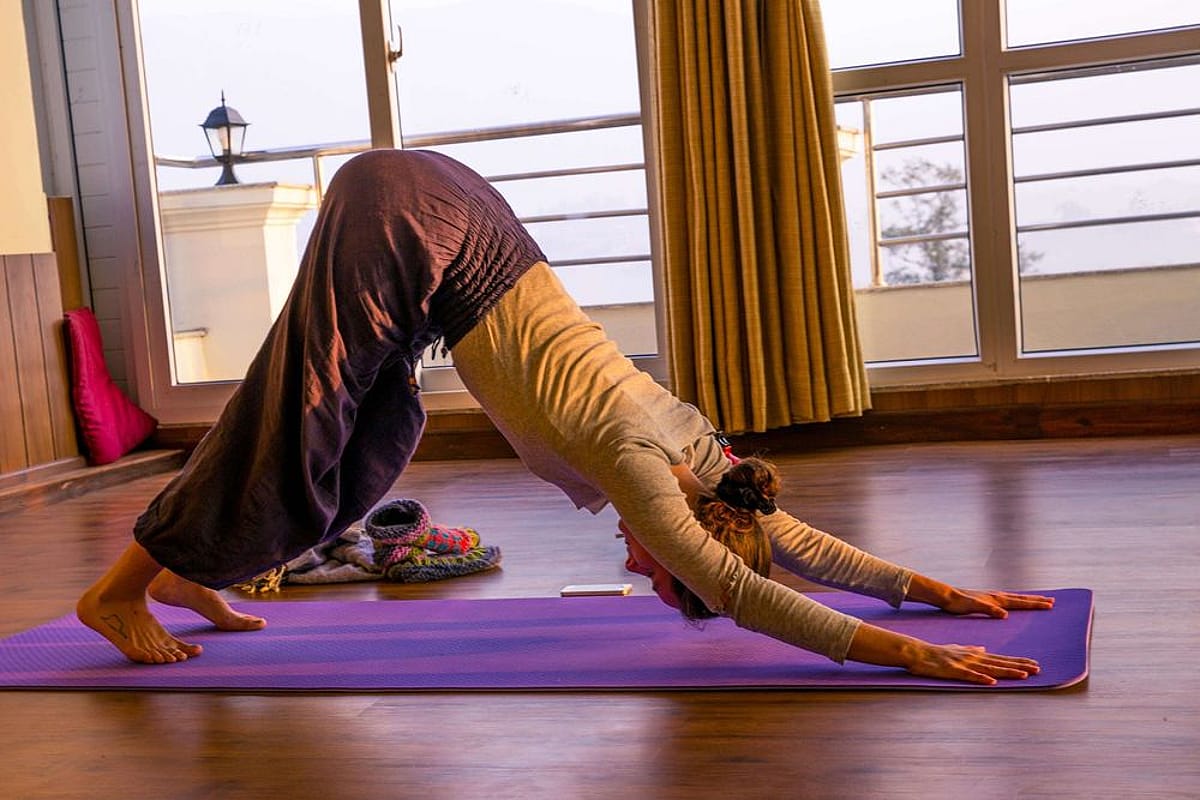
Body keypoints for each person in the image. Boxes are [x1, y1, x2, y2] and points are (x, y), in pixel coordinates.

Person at [77, 149, 1053, 684]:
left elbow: (796, 546)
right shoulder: (641, 465)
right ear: (686, 540)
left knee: (371, 439)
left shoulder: (704, 456)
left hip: (449, 222)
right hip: (421, 224)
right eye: (662, 576)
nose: (640, 568)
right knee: (292, 422)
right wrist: (911, 651)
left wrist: (936, 591)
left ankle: (194, 570)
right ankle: (120, 592)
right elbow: (749, 590)